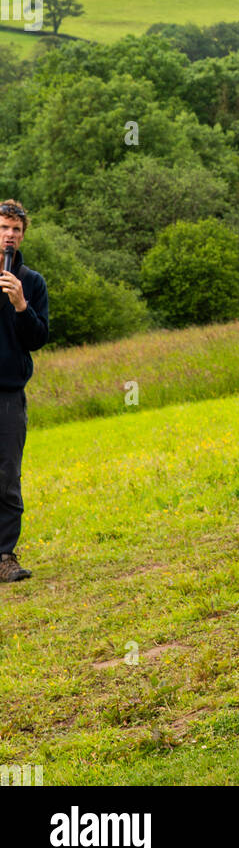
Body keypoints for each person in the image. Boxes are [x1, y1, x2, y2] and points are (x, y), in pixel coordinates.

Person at [0, 199, 49, 584]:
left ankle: (5, 556)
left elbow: (38, 338)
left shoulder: (31, 282)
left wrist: (21, 305)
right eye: (4, 228)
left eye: (16, 230)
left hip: (9, 395)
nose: (10, 235)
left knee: (7, 478)